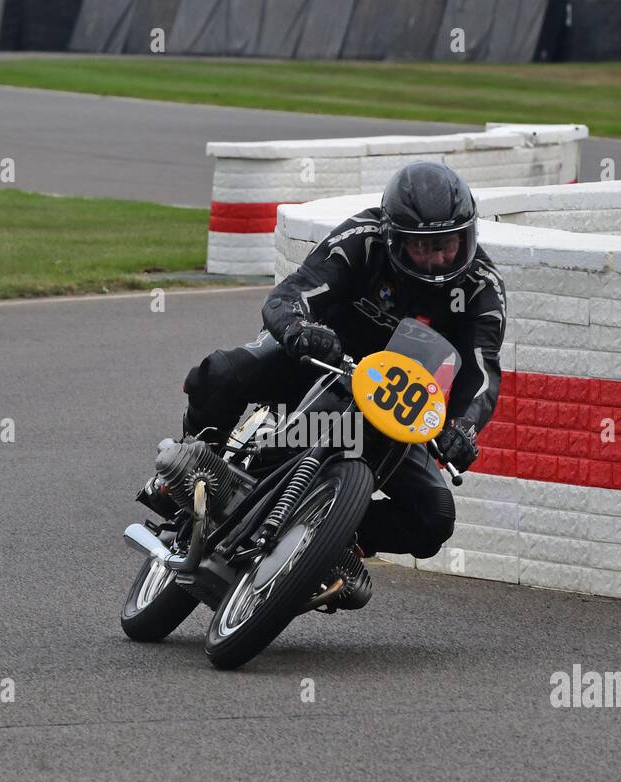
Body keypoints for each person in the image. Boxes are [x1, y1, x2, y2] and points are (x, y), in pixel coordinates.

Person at [181, 161, 505, 605]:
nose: (436, 259)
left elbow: (482, 373)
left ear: (466, 236)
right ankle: (197, 467)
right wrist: (298, 327)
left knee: (435, 517)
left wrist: (464, 427)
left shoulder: (483, 287)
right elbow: (292, 292)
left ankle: (336, 544)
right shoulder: (363, 238)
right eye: (421, 246)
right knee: (217, 373)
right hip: (319, 362)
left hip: (395, 410)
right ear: (394, 237)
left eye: (447, 245)